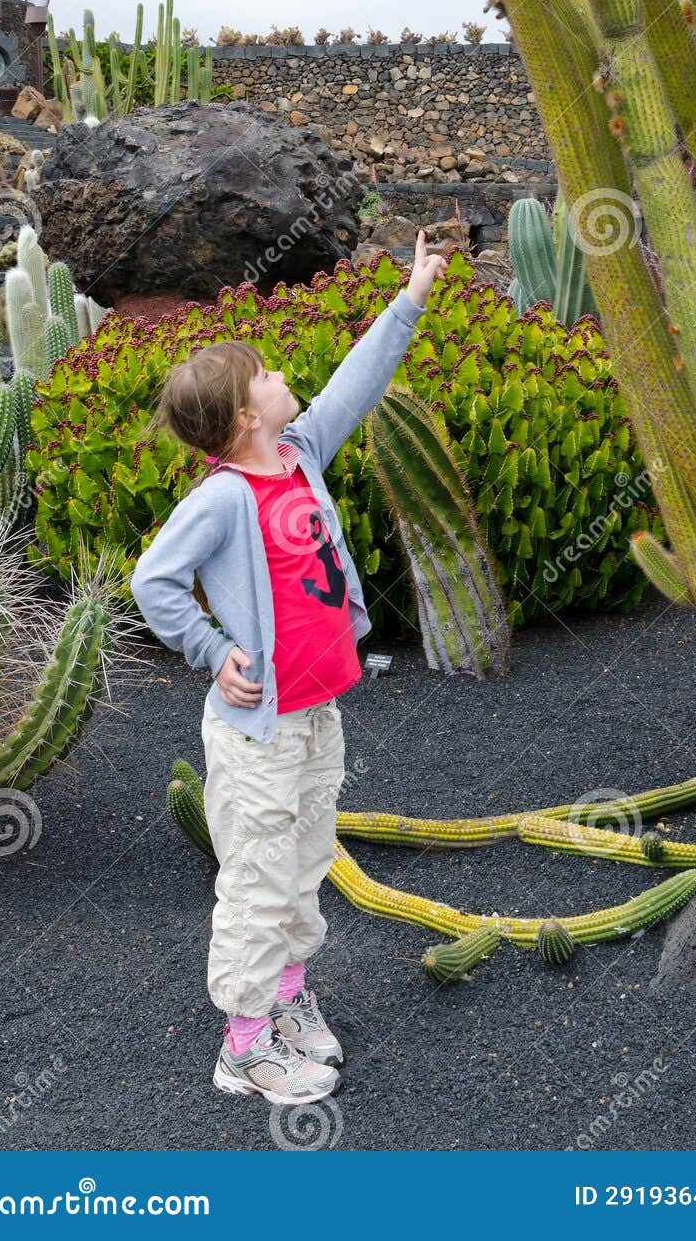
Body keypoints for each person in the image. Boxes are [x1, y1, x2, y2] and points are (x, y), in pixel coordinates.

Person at [131, 232, 447, 1108]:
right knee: (258, 883)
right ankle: (243, 1050)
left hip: (315, 715)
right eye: (265, 373)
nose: (282, 376)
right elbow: (152, 579)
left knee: (304, 866)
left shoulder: (299, 452)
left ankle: (287, 1001)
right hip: (258, 734)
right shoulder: (225, 496)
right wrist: (211, 650)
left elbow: (357, 380)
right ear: (243, 418)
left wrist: (411, 295)